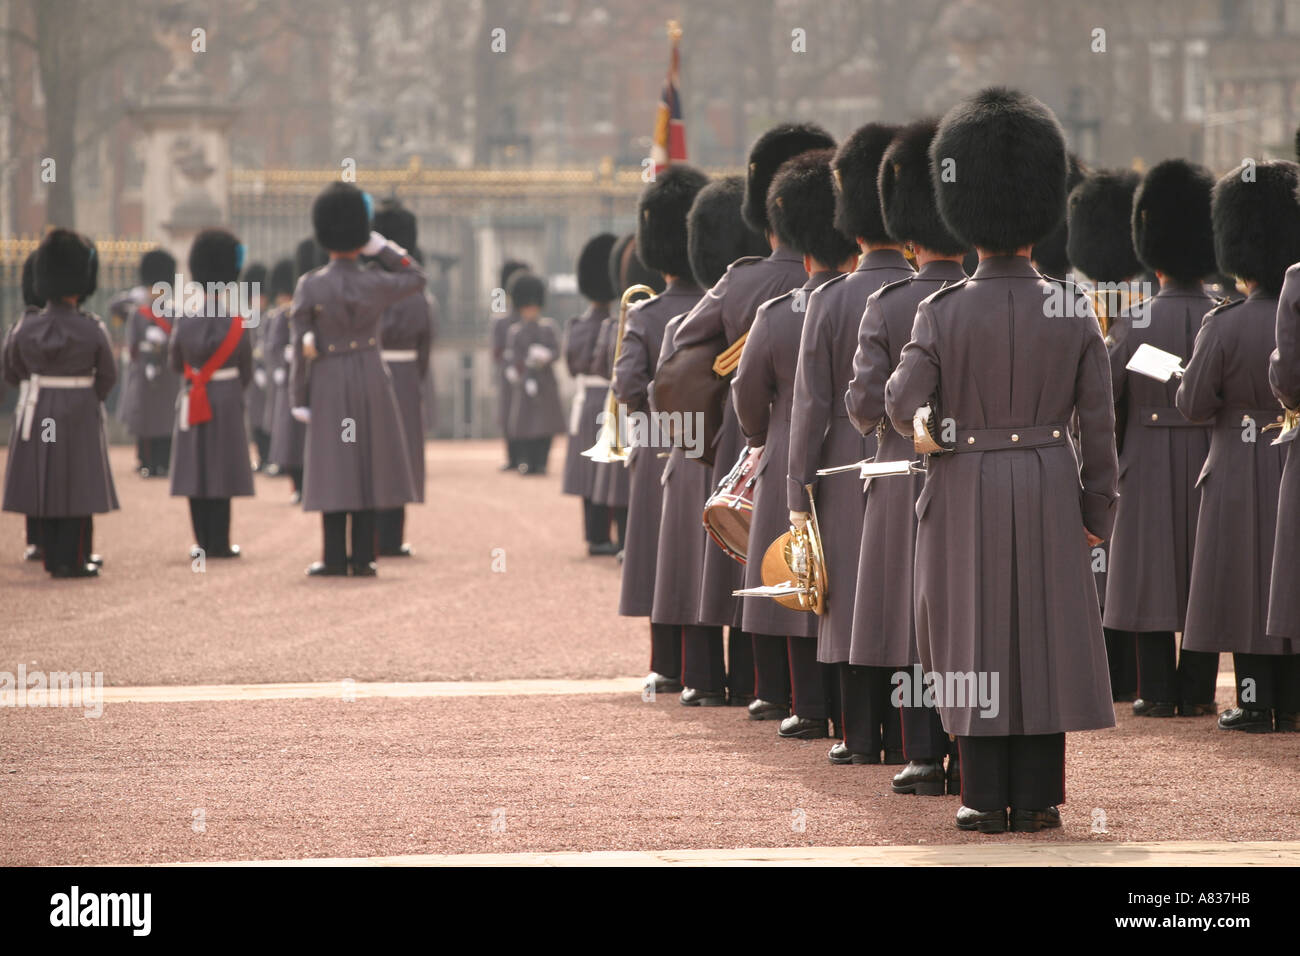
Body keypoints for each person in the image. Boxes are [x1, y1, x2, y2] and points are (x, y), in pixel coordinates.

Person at [885, 87, 1119, 834]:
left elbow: (897, 403)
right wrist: (1096, 512)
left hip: (964, 484)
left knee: (974, 632)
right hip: (1052, 478)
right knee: (1044, 634)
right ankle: (1040, 796)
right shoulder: (1070, 305)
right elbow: (1100, 424)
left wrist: (935, 429)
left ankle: (983, 795)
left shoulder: (942, 309)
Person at [674, 122, 832, 709]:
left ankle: (757, 687)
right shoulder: (838, 281)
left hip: (755, 435)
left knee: (750, 559)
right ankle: (815, 695)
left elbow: (682, 341)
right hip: (835, 440)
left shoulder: (745, 281)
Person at [844, 118, 965, 789]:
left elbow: (864, 405)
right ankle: (971, 752)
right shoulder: (980, 298)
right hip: (973, 477)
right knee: (967, 618)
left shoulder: (889, 305)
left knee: (912, 623)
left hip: (901, 476)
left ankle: (923, 755)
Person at [790, 120, 913, 762]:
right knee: (905, 602)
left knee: (847, 608)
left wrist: (797, 486)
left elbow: (810, 406)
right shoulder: (933, 291)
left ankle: (861, 737)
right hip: (913, 464)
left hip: (839, 469)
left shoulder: (832, 300)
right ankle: (916, 737)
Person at [734, 149, 860, 737]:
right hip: (867, 457)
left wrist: (762, 438)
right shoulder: (875, 301)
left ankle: (806, 704)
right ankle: (857, 712)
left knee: (796, 572)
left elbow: (745, 390)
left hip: (792, 448)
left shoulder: (780, 311)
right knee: (858, 580)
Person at [1177, 159, 1300, 733]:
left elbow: (1193, 406)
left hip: (1234, 458)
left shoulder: (1222, 325)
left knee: (1246, 585)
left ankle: (1254, 703)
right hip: (1290, 452)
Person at [1104, 159, 1221, 718]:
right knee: (1205, 567)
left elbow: (1106, 401)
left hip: (1144, 455)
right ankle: (1198, 690)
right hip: (1209, 450)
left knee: (1147, 572)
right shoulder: (1222, 315)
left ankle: (1155, 689)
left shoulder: (1132, 322)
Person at [649, 176, 768, 697]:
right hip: (777, 431)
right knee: (757, 559)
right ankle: (755, 681)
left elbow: (679, 343)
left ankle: (701, 676)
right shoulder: (810, 279)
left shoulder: (738, 281)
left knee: (708, 559)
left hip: (726, 433)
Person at [292, 182, 423, 576]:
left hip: (330, 376)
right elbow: (416, 277)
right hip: (369, 372)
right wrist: (381, 248)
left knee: (334, 462)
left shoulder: (310, 284)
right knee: (369, 459)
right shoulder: (374, 281)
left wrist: (299, 396)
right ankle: (364, 557)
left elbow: (301, 345)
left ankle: (333, 557)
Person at [612, 165, 708, 694]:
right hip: (712, 441)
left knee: (661, 557)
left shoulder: (645, 314)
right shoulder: (723, 303)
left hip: (657, 444)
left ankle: (668, 665)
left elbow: (627, 387)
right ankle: (722, 671)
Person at [1066, 169, 1146, 703]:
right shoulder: (1090, 304)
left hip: (1128, 453)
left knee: (1121, 570)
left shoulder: (1119, 308)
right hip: (1127, 454)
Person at [2, 229, 119, 578]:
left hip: (39, 410)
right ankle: (76, 557)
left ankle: (51, 554)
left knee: (47, 480)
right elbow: (108, 376)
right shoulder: (91, 328)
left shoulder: (25, 328)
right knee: (78, 482)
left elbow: (12, 370)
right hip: (78, 410)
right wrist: (87, 398)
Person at [168, 228, 255, 560]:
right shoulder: (238, 321)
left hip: (194, 395)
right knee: (223, 466)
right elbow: (246, 368)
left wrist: (197, 378)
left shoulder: (185, 318)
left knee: (196, 467)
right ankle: (221, 541)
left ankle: (201, 542)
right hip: (227, 396)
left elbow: (175, 361)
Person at [372, 198, 437, 557]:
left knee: (374, 453)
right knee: (403, 454)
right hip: (407, 375)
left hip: (372, 372)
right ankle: (394, 538)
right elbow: (426, 345)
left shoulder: (368, 287)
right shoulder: (417, 295)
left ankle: (371, 537)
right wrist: (414, 377)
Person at [592, 235, 663, 547]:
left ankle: (628, 545)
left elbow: (621, 375)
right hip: (683, 423)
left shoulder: (635, 318)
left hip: (641, 414)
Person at [561, 233, 619, 555]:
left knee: (588, 469)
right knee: (607, 469)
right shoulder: (616, 324)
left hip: (584, 403)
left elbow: (570, 367)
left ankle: (593, 536)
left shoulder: (575, 325)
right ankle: (606, 535)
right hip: (609, 401)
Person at [113, 248, 181, 478]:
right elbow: (132, 345)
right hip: (144, 372)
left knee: (166, 420)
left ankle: (164, 461)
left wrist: (165, 343)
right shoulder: (138, 312)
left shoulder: (173, 312)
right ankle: (148, 461)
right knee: (146, 421)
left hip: (167, 373)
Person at [268, 239, 326, 502]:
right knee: (293, 438)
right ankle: (298, 486)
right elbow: (274, 345)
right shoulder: (285, 314)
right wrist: (285, 358)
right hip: (295, 378)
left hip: (320, 378)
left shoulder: (322, 308)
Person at [502, 272, 564, 476]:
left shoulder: (549, 328)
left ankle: (542, 462)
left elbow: (556, 351)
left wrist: (547, 356)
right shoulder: (516, 331)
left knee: (545, 426)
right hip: (526, 383)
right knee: (526, 425)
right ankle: (527, 461)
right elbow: (514, 357)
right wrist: (519, 372)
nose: (530, 309)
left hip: (545, 383)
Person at [491, 259, 531, 472]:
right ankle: (513, 456)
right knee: (508, 415)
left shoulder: (528, 318)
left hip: (526, 371)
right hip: (508, 373)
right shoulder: (501, 319)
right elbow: (496, 350)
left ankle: (525, 456)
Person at [240, 260, 272, 472]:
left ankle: (271, 457)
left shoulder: (272, 316)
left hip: (271, 375)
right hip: (254, 375)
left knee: (271, 418)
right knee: (256, 419)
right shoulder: (248, 319)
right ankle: (261, 457)